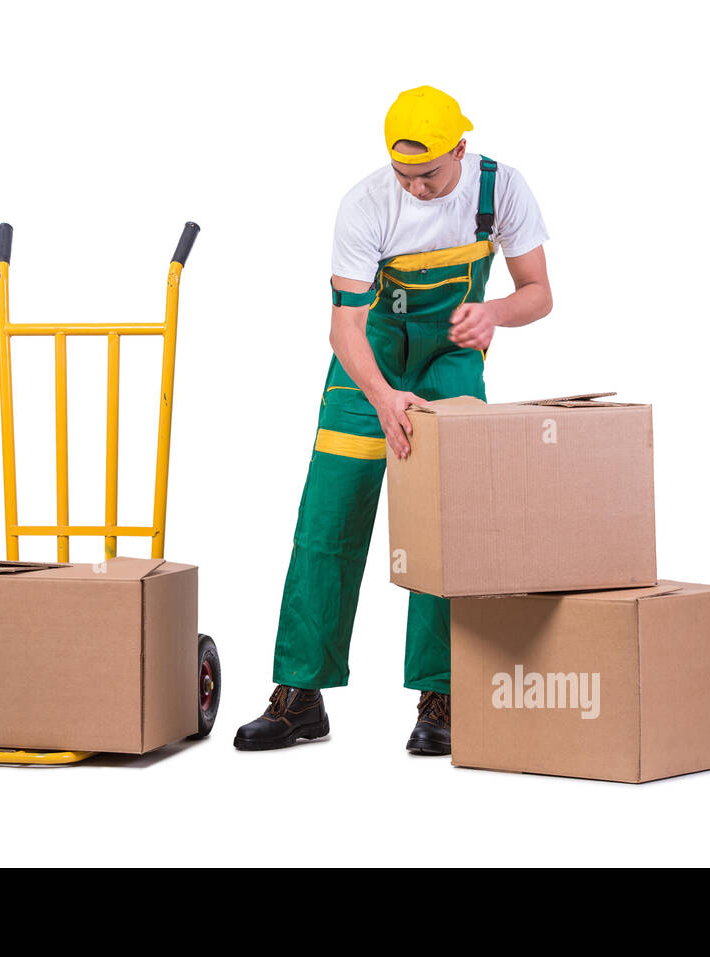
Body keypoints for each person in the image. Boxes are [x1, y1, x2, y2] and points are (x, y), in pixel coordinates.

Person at [233, 85, 553, 755]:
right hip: (368, 363)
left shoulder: (502, 190)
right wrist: (381, 397)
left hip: (450, 363)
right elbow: (344, 323)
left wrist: (494, 313)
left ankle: (440, 694)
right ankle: (299, 695)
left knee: (447, 526)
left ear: (460, 150)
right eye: (403, 173)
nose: (414, 185)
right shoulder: (366, 203)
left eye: (429, 173)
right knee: (329, 518)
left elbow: (538, 293)